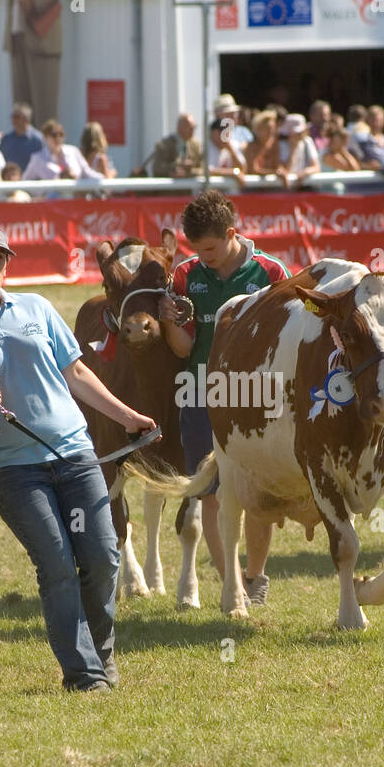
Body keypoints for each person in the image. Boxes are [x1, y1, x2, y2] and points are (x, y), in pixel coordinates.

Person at [0, 225, 155, 693]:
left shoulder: (36, 308)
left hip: (74, 452)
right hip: (13, 467)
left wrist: (127, 415)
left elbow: (77, 372)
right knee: (56, 562)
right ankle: (86, 676)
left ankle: (99, 659)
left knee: (103, 557)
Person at [161, 191, 289, 604]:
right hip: (200, 393)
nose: (203, 257)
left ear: (233, 234)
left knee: (257, 491)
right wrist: (169, 322)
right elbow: (182, 349)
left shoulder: (270, 272)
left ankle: (254, 576)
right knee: (213, 493)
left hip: (257, 396)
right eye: (196, 250)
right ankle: (232, 585)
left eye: (210, 249)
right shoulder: (184, 275)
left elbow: (288, 338)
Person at [0, 0, 68, 126]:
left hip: (42, 34)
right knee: (21, 111)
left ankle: (46, 150)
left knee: (44, 112)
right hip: (16, 34)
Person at [23, 119, 102, 180]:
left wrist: (104, 179)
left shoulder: (73, 151)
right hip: (52, 199)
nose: (58, 138)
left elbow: (87, 173)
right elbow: (26, 181)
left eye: (61, 134)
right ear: (45, 137)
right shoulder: (38, 158)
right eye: (54, 135)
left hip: (75, 198)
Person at [151, 113, 204, 178]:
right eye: (189, 127)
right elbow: (157, 168)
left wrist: (189, 172)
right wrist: (176, 167)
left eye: (194, 127)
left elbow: (204, 169)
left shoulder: (196, 146)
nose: (192, 130)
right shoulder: (164, 145)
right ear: (179, 128)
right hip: (171, 187)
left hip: (192, 187)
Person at [277, 113, 320, 188]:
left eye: (301, 131)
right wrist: (293, 150)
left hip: (303, 189)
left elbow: (316, 167)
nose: (299, 134)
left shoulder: (307, 141)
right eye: (296, 132)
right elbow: (286, 170)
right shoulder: (281, 145)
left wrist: (305, 172)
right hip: (286, 191)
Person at [0, 103, 45, 173]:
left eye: (17, 117)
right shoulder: (6, 139)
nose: (13, 120)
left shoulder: (38, 140)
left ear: (27, 119)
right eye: (12, 116)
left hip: (33, 181)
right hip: (11, 182)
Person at [207, 117, 247, 188]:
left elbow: (242, 168)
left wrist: (230, 149)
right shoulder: (207, 148)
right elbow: (208, 170)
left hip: (231, 193)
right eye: (222, 131)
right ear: (214, 133)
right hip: (212, 192)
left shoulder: (233, 145)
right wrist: (233, 173)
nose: (226, 136)